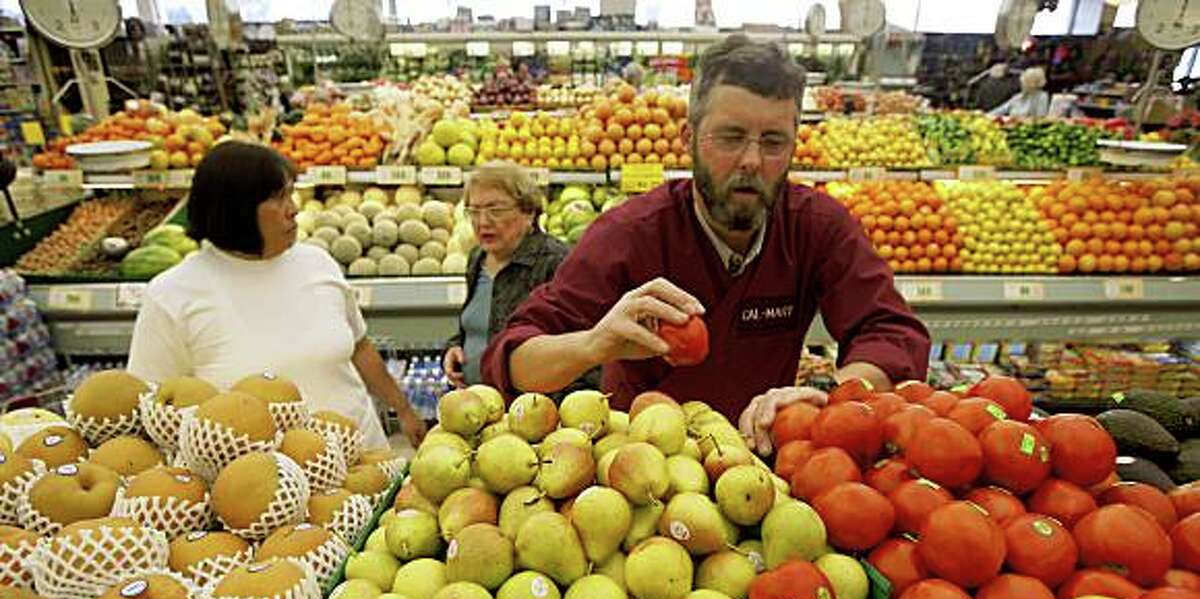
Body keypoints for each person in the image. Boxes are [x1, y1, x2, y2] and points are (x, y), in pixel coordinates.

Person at [481, 34, 930, 456]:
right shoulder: (629, 234)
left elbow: (890, 332)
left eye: (773, 142)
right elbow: (515, 358)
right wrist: (594, 344)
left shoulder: (817, 228)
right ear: (688, 140)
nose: (752, 160)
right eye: (731, 137)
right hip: (644, 474)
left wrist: (834, 394)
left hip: (762, 461)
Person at [127, 140, 426, 449]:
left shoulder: (317, 263)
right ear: (237, 210)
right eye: (280, 198)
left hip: (366, 464)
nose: (294, 210)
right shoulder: (172, 296)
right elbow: (150, 409)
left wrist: (402, 408)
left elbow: (359, 347)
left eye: (291, 193)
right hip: (270, 487)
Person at [442, 162, 569, 388]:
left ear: (528, 212)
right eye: (474, 211)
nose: (483, 222)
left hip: (528, 411)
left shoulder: (555, 262)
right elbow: (475, 324)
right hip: (474, 405)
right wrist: (456, 347)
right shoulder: (477, 258)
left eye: (496, 210)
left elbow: (572, 347)